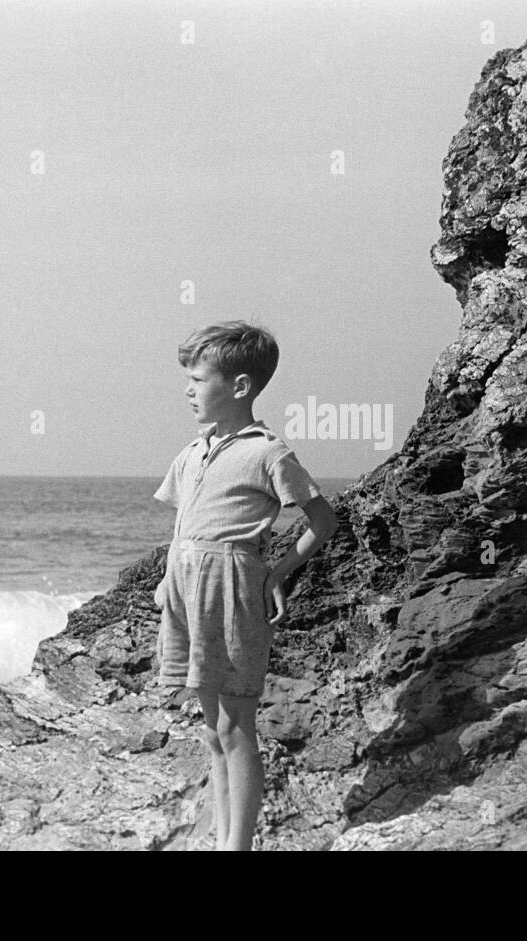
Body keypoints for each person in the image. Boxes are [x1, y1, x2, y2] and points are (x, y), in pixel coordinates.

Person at [152, 320, 338, 851]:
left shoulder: (267, 451)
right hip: (186, 589)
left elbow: (323, 523)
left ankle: (240, 845)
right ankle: (223, 839)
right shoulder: (193, 452)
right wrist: (168, 580)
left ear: (239, 387)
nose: (188, 389)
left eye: (198, 378)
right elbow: (183, 523)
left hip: (232, 587)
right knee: (211, 730)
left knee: (236, 728)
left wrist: (277, 572)